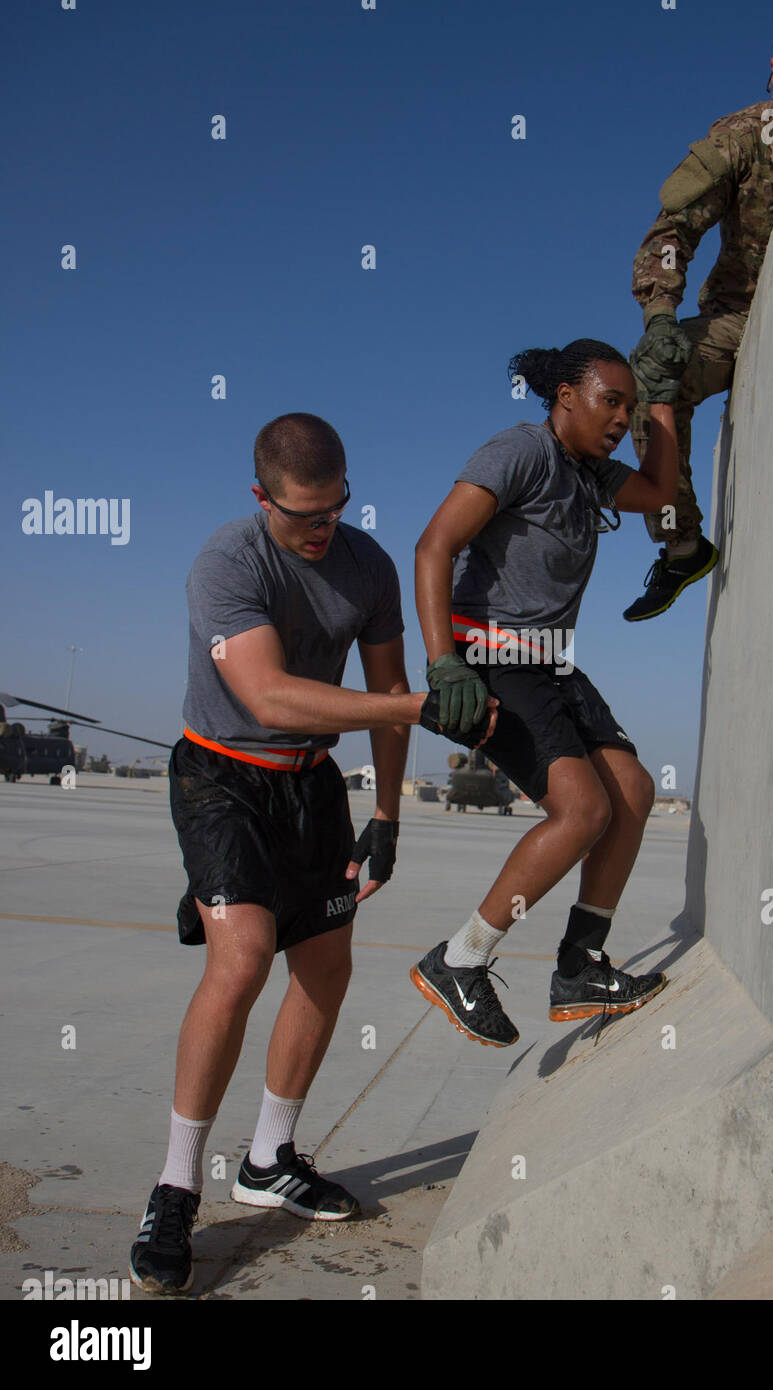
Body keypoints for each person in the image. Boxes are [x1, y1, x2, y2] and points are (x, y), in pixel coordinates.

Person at [128, 412, 478, 1295]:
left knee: (325, 969)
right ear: (262, 498)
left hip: (311, 785)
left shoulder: (369, 566)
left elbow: (391, 687)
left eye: (336, 510)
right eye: (303, 516)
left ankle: (268, 1159)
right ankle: (175, 1187)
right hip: (223, 776)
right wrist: (411, 712)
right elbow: (272, 696)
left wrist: (389, 813)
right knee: (242, 961)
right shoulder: (228, 562)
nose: (323, 530)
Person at [410, 339, 686, 1046]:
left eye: (627, 406)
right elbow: (433, 545)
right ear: (566, 396)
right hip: (491, 658)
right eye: (610, 401)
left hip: (555, 662)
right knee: (581, 809)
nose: (620, 418)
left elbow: (658, 493)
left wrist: (665, 402)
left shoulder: (592, 476)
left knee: (631, 791)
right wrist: (444, 665)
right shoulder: (521, 450)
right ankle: (460, 958)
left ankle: (580, 964)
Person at [623, 5, 773, 621]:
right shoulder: (740, 137)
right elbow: (672, 232)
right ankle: (682, 545)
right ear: (771, 71)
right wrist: (661, 314)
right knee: (646, 384)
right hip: (741, 320)